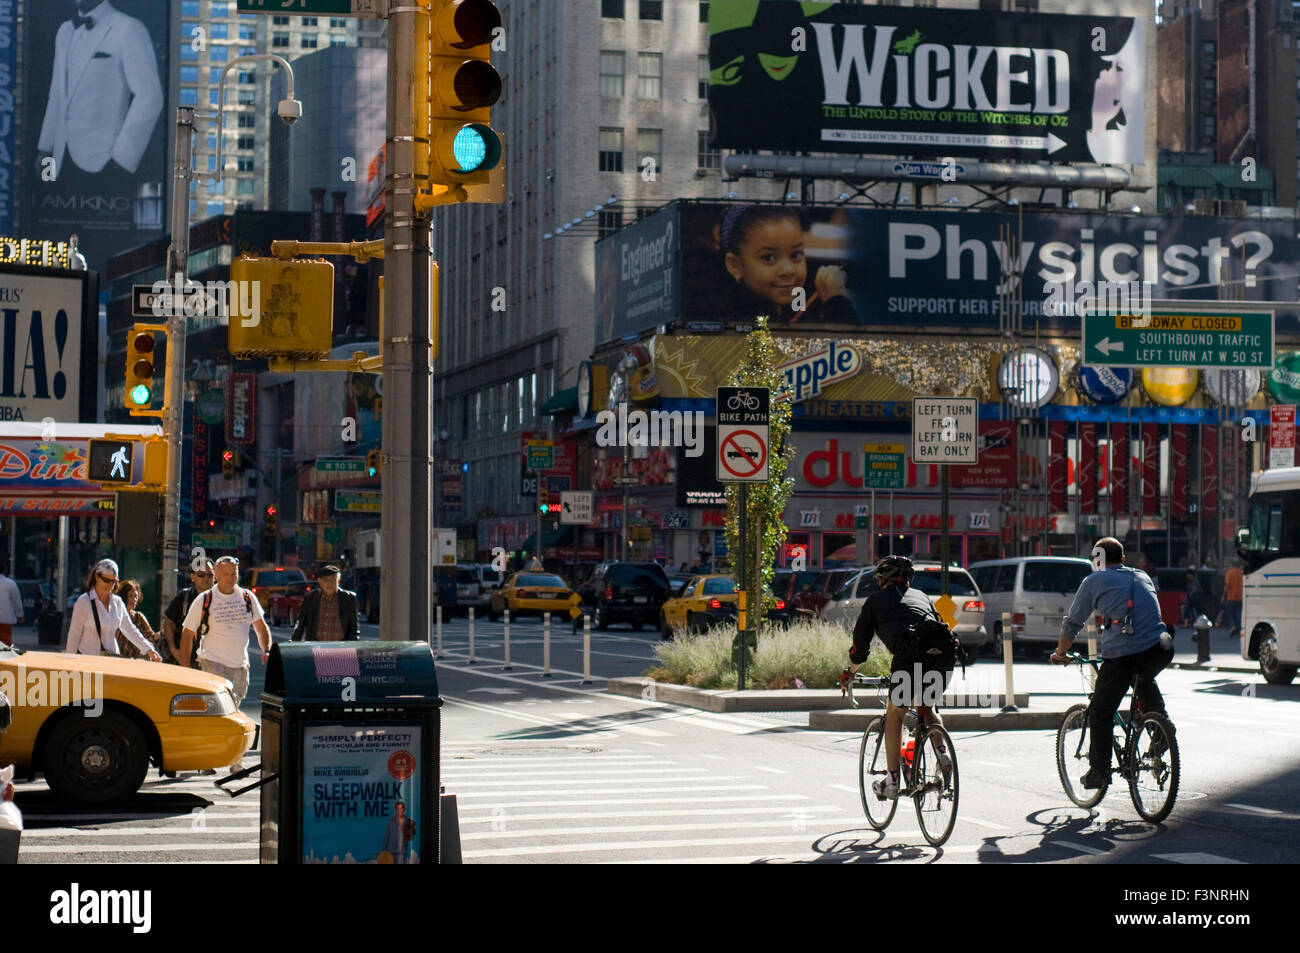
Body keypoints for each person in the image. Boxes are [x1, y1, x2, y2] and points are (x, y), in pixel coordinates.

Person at [1051, 537, 1174, 790]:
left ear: (1097, 560)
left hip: (1124, 653)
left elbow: (1073, 623)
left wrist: (1060, 653)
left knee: (1100, 711)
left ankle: (1099, 771)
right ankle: (1160, 728)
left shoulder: (1093, 581)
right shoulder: (1142, 576)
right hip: (1161, 648)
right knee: (1144, 678)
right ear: (1123, 559)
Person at [839, 555, 953, 800]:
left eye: (879, 578)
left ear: (883, 580)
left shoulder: (876, 601)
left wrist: (850, 673)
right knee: (926, 707)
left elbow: (860, 647)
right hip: (943, 658)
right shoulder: (923, 596)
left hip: (909, 658)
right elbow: (943, 623)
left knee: (895, 714)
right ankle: (944, 755)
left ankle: (891, 781)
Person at [36, 0, 164, 184]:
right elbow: (57, 94)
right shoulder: (65, 31)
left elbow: (150, 97)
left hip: (102, 162)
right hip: (58, 159)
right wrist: (45, 147)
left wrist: (122, 157)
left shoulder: (129, 28)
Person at [720, 205, 858, 325]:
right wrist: (837, 303)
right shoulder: (738, 320)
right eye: (769, 258)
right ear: (735, 266)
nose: (788, 270)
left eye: (795, 255)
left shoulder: (788, 309)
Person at [180, 555, 272, 717]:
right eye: (226, 574)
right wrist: (186, 668)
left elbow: (261, 627)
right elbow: (187, 634)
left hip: (240, 666)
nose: (230, 578)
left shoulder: (247, 598)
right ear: (216, 575)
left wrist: (267, 650)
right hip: (212, 663)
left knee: (232, 709)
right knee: (218, 710)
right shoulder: (205, 600)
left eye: (234, 574)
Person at [65, 559, 160, 660]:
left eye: (114, 581)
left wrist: (149, 649)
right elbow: (74, 634)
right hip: (88, 661)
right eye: (106, 580)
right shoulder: (84, 602)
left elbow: (129, 629)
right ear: (97, 576)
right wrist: (68, 662)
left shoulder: (117, 602)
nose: (110, 585)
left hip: (112, 660)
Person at [163, 559, 214, 667]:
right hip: (185, 660)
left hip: (212, 662)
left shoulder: (220, 599)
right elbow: (168, 624)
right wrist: (174, 650)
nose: (206, 578)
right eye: (201, 575)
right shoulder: (184, 597)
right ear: (192, 577)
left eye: (210, 575)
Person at [291, 565, 360, 642]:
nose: (329, 583)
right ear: (319, 581)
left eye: (333, 580)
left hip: (340, 649)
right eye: (326, 580)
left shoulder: (349, 598)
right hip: (316, 647)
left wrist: (351, 645)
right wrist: (294, 642)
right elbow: (300, 622)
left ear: (338, 581)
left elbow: (354, 628)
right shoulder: (311, 597)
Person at [113, 579, 162, 660]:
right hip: (115, 657)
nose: (134, 599)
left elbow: (150, 636)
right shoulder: (114, 615)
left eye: (135, 596)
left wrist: (163, 633)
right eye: (130, 596)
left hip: (133, 661)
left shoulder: (138, 617)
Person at [0, 561, 23, 647]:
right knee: (5, 644)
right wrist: (20, 615)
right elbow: (16, 601)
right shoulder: (10, 583)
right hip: (6, 620)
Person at [1221, 560, 1244, 640]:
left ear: (1232, 565)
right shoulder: (1242, 573)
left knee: (1230, 613)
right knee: (1238, 613)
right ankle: (1237, 629)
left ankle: (1232, 626)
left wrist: (1223, 596)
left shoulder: (1229, 573)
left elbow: (1227, 585)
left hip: (1231, 597)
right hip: (1240, 597)